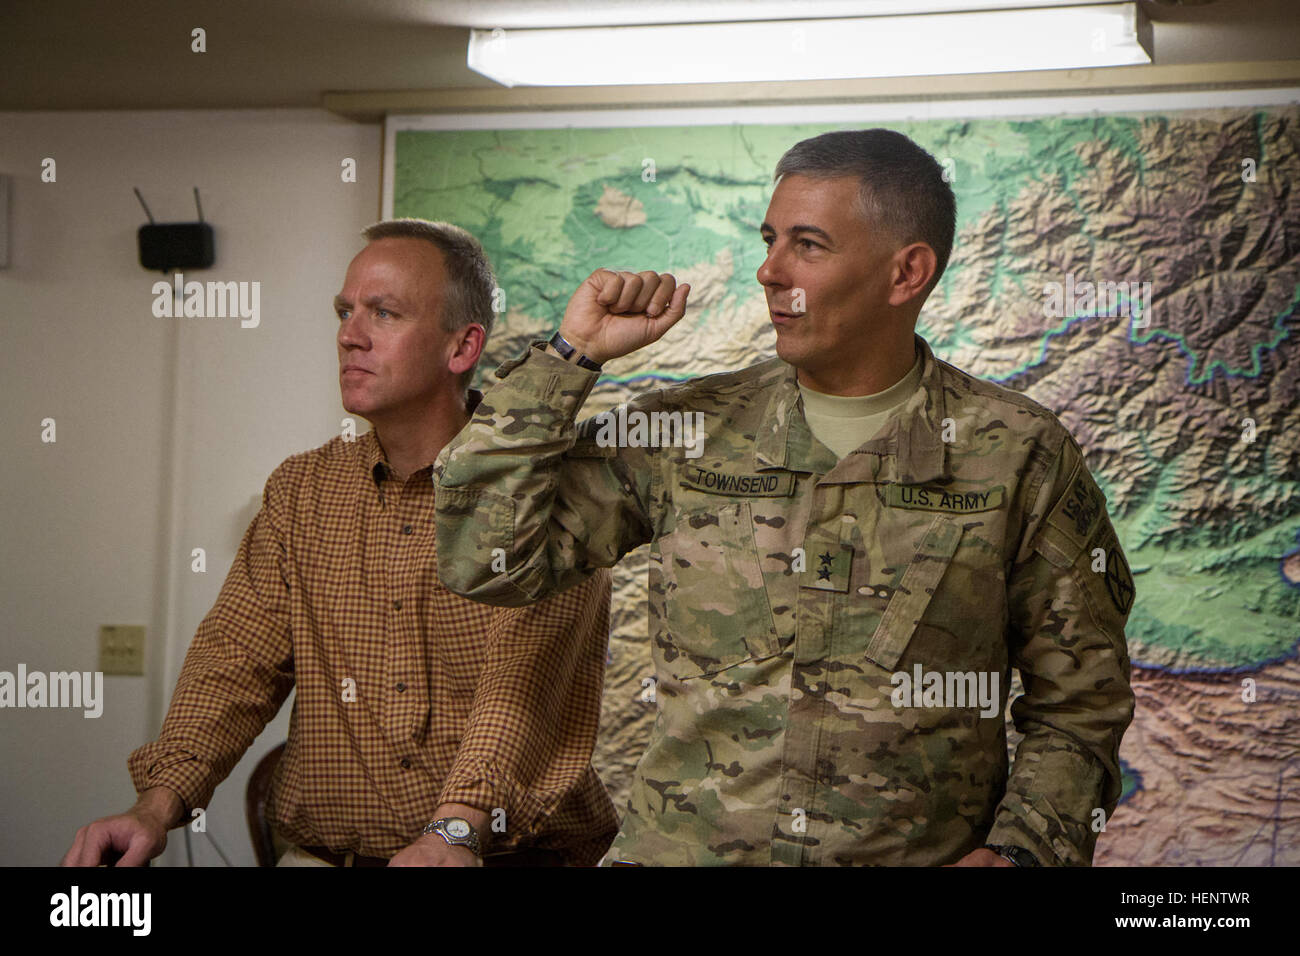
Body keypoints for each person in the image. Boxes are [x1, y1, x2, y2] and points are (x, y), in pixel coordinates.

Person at [432, 129, 1136, 867]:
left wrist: (1024, 852)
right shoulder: (686, 433)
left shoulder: (1018, 453)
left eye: (807, 244)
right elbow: (486, 561)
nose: (769, 272)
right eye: (770, 240)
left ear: (907, 273)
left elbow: (1080, 706)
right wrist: (569, 358)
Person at [62, 219, 617, 868]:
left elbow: (521, 689)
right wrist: (154, 807)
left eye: (384, 313)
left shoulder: (545, 491)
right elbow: (235, 660)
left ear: (462, 348)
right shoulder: (301, 492)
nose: (349, 335)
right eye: (345, 311)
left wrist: (455, 832)